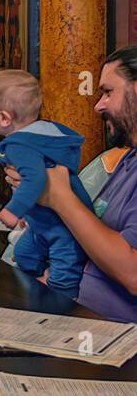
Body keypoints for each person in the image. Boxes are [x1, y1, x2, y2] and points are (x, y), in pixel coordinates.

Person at [11, 46, 137, 321]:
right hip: (75, 314)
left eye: (108, 92)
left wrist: (59, 196)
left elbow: (132, 273)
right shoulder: (129, 161)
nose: (98, 105)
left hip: (117, 342)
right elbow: (91, 236)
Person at [0, 69, 91, 297]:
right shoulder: (42, 135)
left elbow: (35, 179)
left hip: (63, 225)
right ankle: (38, 283)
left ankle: (61, 302)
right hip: (41, 221)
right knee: (24, 254)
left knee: (65, 271)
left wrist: (12, 211)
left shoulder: (19, 146)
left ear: (4, 118)